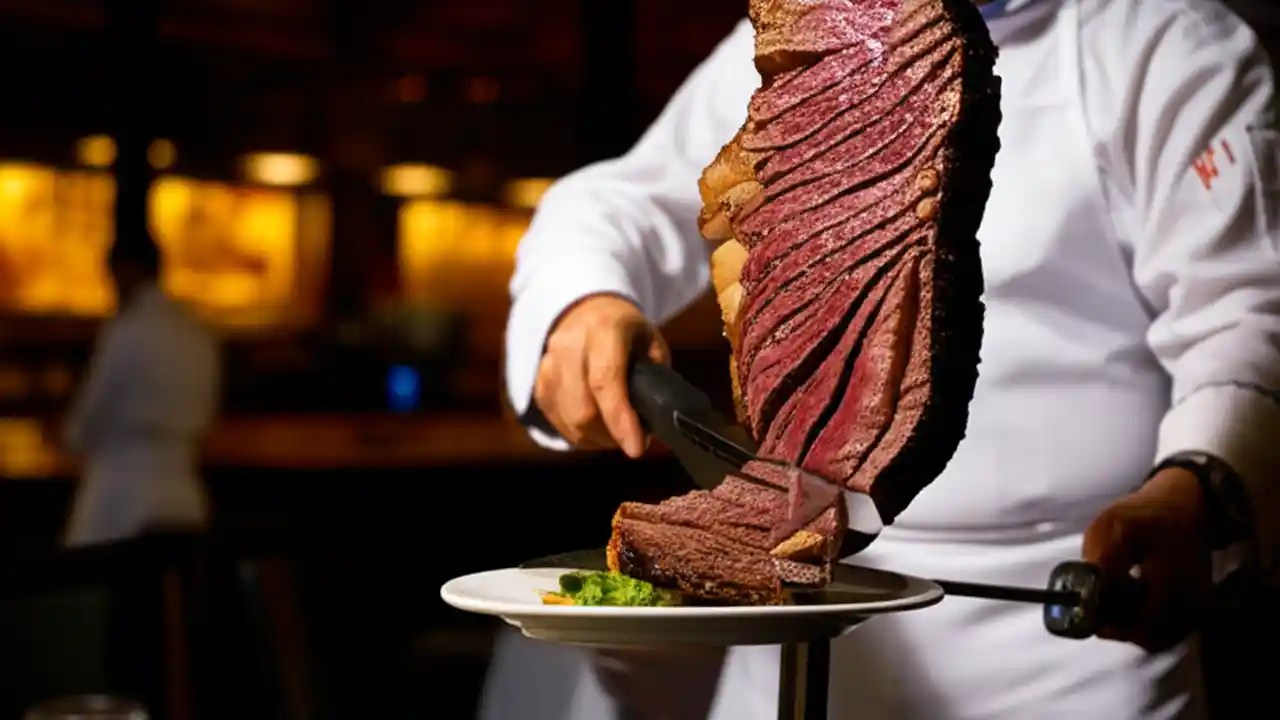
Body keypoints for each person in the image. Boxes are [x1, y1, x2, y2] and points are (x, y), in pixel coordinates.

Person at [485, 0, 1280, 717]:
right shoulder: (819, 23)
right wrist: (581, 302)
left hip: (1062, 642)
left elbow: (1248, 314)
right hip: (797, 605)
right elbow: (617, 202)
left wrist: (1197, 487)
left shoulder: (1165, 44)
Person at [61, 238, 222, 547]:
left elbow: (94, 407)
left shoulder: (127, 330)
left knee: (96, 584)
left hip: (123, 489)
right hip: (184, 491)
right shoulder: (198, 332)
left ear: (125, 271)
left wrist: (72, 439)